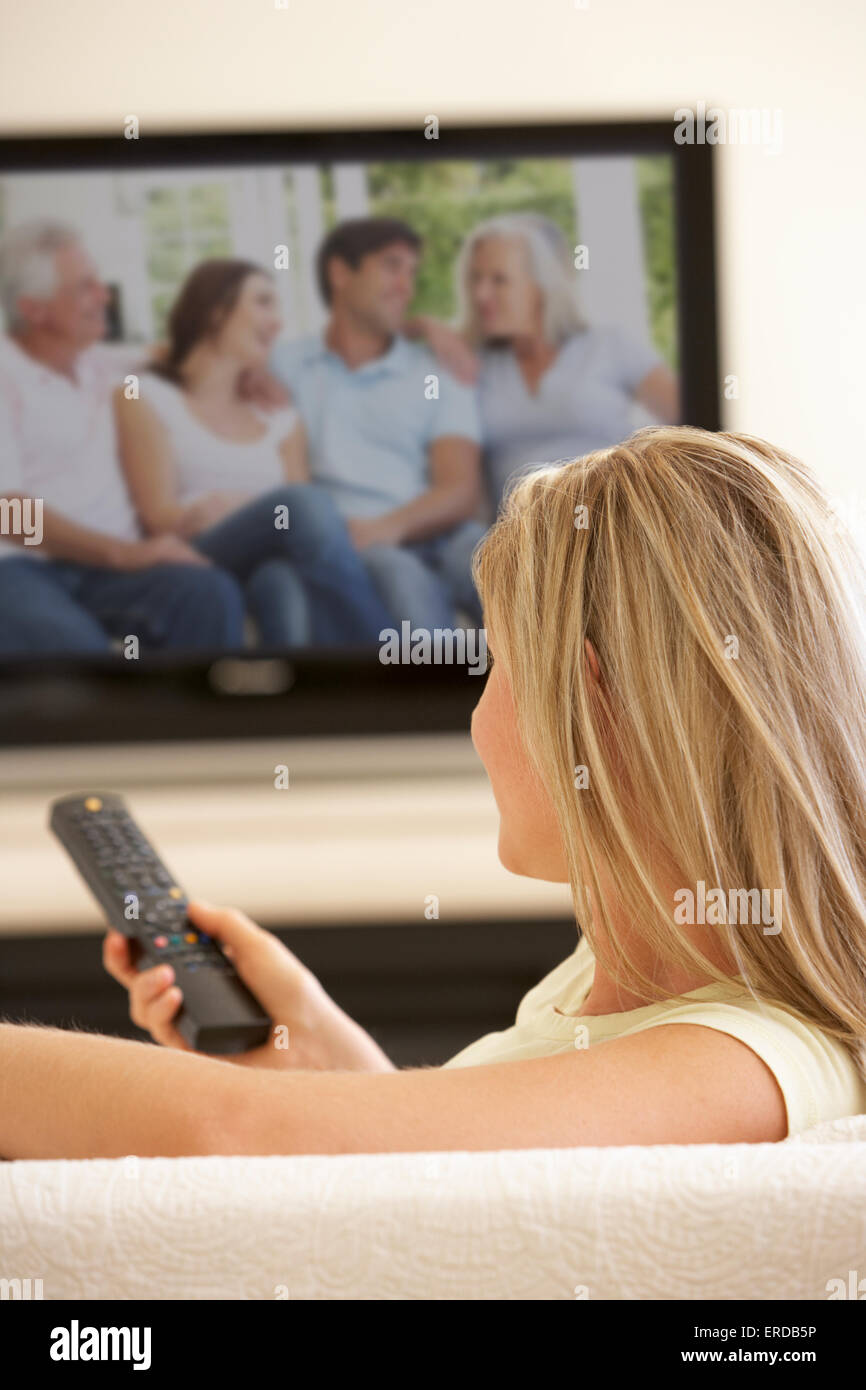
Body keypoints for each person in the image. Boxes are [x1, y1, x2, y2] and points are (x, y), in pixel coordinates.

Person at [5, 426, 866, 1157]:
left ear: (591, 709)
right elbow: (466, 1182)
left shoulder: (747, 1066)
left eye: (497, 667)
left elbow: (234, 1132)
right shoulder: (630, 979)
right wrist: (318, 1052)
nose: (478, 719)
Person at [114, 259, 394, 648]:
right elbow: (158, 517)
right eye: (263, 302)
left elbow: (315, 534)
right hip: (198, 549)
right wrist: (239, 513)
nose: (277, 322)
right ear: (216, 312)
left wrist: (240, 506)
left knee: (282, 584)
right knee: (301, 506)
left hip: (269, 560)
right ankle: (383, 658)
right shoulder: (146, 395)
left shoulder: (278, 415)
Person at [0, 222, 245, 656]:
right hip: (19, 568)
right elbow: (8, 513)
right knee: (84, 662)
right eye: (85, 288)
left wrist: (251, 373)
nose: (105, 296)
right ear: (33, 309)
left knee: (208, 592)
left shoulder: (102, 366)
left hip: (107, 570)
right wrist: (121, 554)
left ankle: (199, 725)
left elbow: (181, 357)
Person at [269, 217, 486, 631]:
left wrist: (388, 527)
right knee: (403, 581)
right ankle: (439, 694)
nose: (406, 285)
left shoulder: (437, 370)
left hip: (439, 532)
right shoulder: (284, 366)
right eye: (391, 266)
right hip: (354, 542)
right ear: (340, 273)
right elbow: (195, 353)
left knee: (502, 562)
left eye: (411, 272)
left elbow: (459, 489)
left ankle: (579, 691)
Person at [417, 212, 680, 513]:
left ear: (541, 287)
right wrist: (424, 326)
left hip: (612, 522)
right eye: (475, 279)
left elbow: (695, 424)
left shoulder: (609, 345)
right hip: (518, 540)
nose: (481, 294)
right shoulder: (471, 362)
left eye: (499, 280)